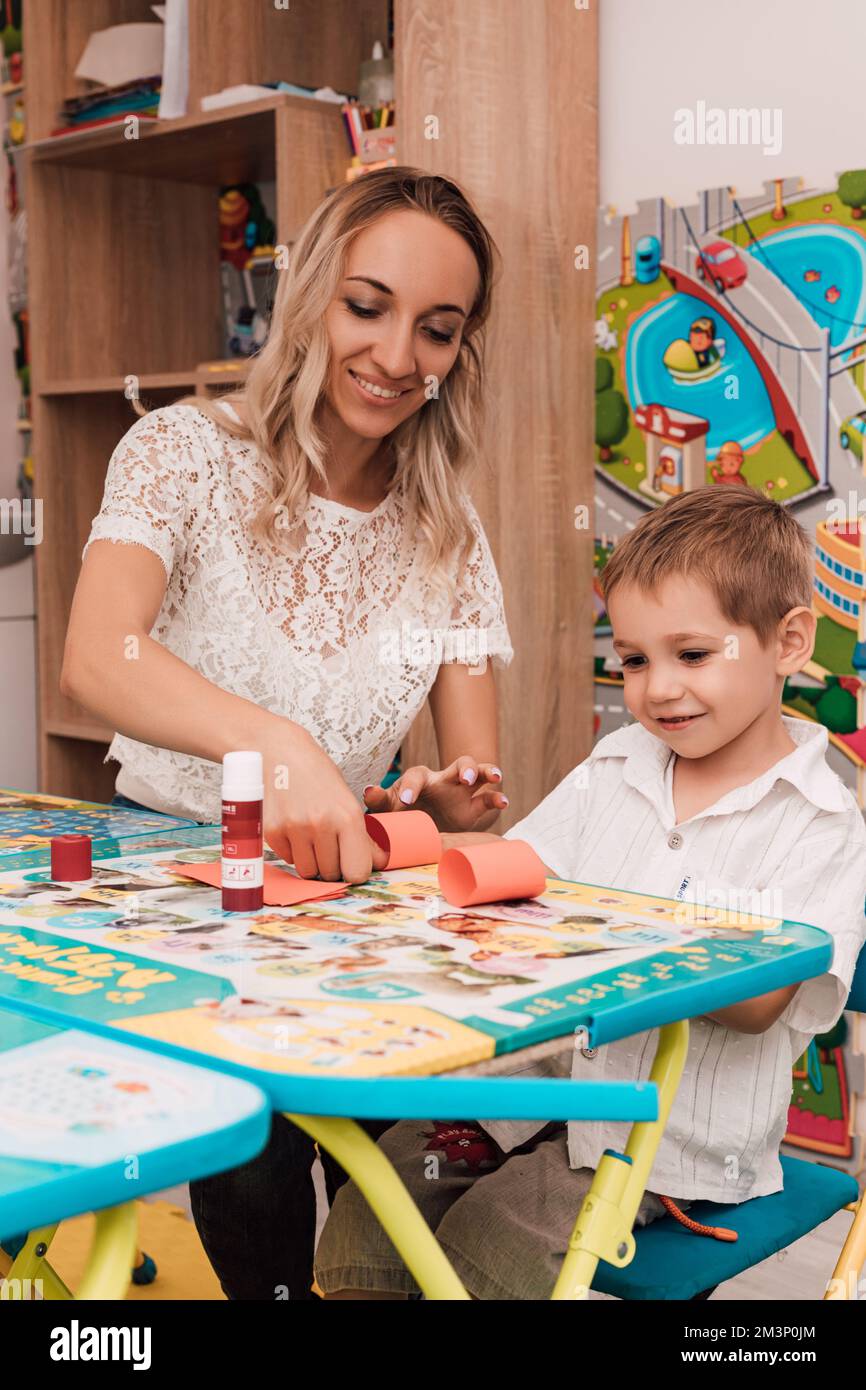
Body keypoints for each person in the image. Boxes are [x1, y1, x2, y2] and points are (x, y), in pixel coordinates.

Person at [61, 167, 514, 1299]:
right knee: (259, 1180)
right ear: (310, 294)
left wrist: (450, 802)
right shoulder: (179, 454)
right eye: (367, 306)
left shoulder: (449, 528)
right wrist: (281, 747)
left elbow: (469, 778)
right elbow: (93, 656)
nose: (397, 354)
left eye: (437, 329)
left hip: (345, 902)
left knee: (389, 1179)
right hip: (171, 883)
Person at [315, 484, 866, 1300]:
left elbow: (755, 1001)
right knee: (374, 1208)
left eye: (692, 655)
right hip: (532, 1094)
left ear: (786, 642)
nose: (658, 689)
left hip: (672, 1136)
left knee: (489, 1243)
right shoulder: (617, 766)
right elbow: (520, 865)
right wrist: (424, 836)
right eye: (635, 661)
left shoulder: (822, 822)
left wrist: (601, 927)